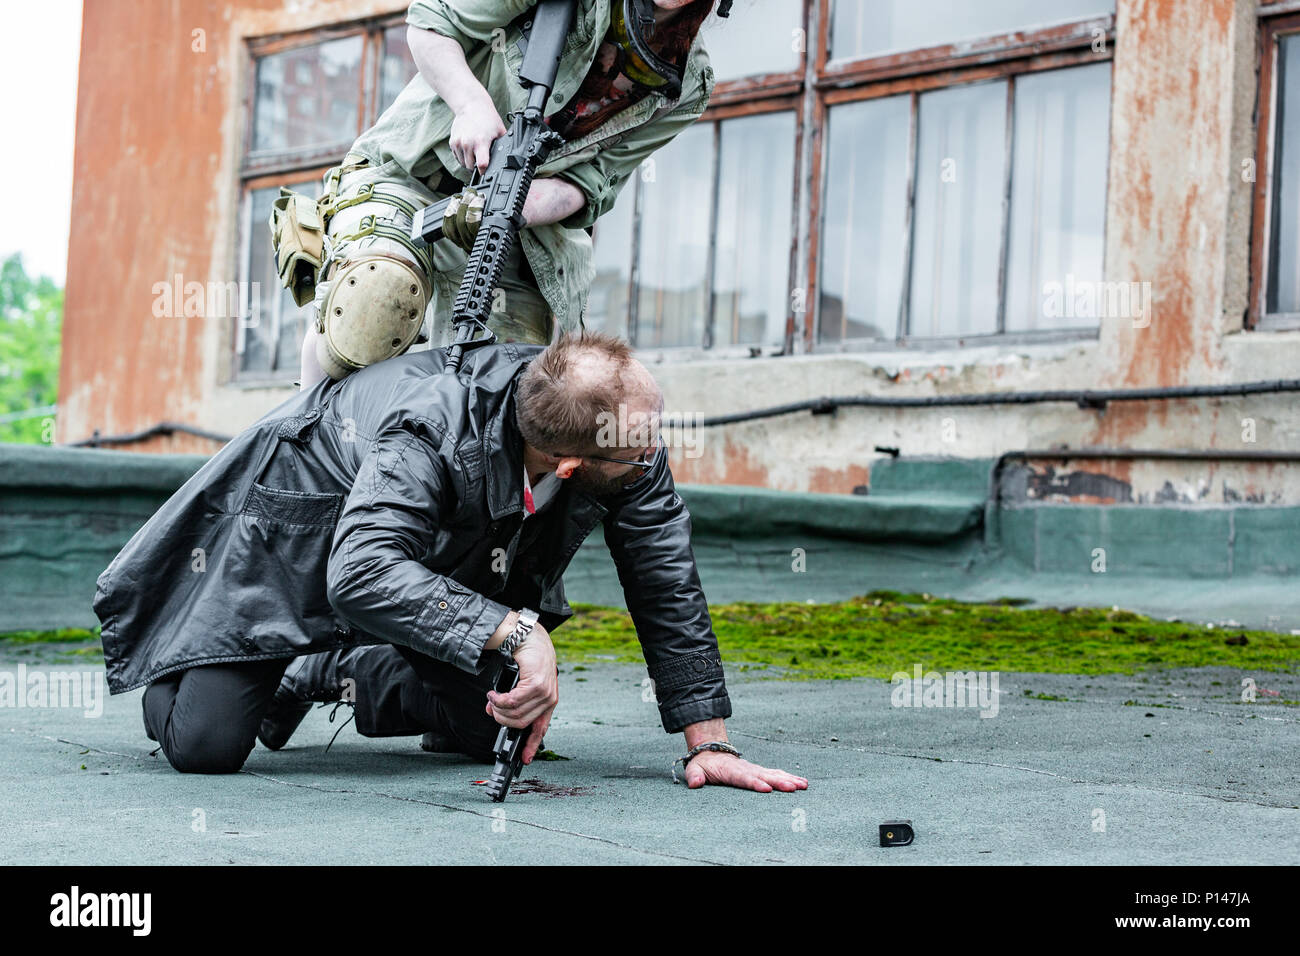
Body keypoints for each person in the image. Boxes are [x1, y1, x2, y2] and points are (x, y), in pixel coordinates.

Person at [94, 331, 807, 794]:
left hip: (430, 541)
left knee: (495, 728)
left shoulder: (618, 432)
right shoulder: (430, 432)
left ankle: (326, 672)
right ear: (567, 461)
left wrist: (708, 739)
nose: (654, 455)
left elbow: (664, 579)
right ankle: (191, 653)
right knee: (206, 746)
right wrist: (520, 634)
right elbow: (362, 572)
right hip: (296, 523)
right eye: (637, 451)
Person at [285, 0, 733, 388]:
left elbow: (597, 183)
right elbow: (431, 21)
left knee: (498, 392)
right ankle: (300, 439)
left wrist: (526, 204)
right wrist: (471, 106)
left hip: (519, 234)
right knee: (375, 299)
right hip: (410, 176)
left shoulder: (688, 85)